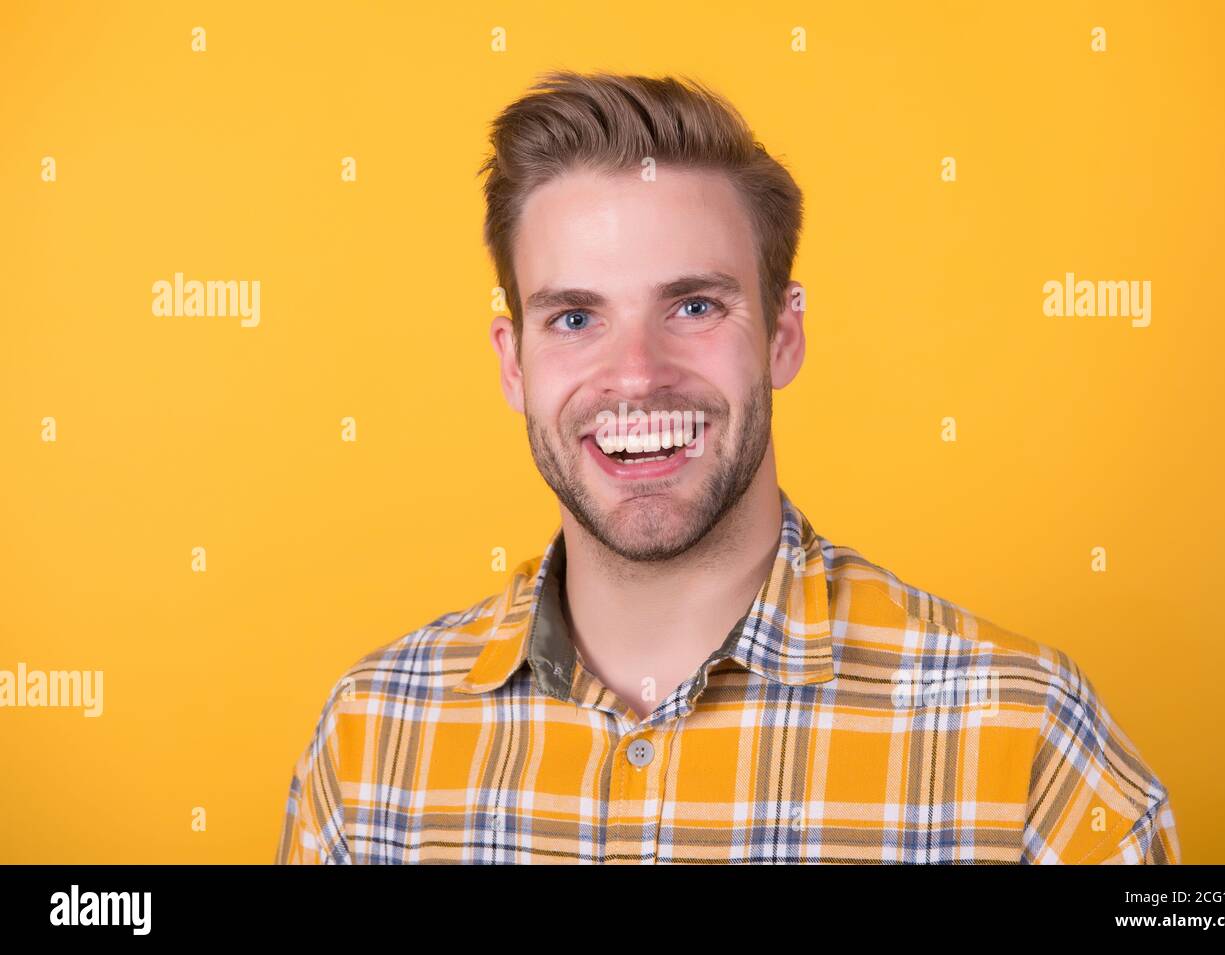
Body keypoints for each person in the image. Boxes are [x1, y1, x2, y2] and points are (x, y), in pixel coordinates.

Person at [276, 70, 1179, 864]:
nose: (636, 374)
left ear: (782, 335)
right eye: (575, 319)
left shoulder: (1030, 743)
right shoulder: (372, 744)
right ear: (514, 365)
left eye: (695, 306)